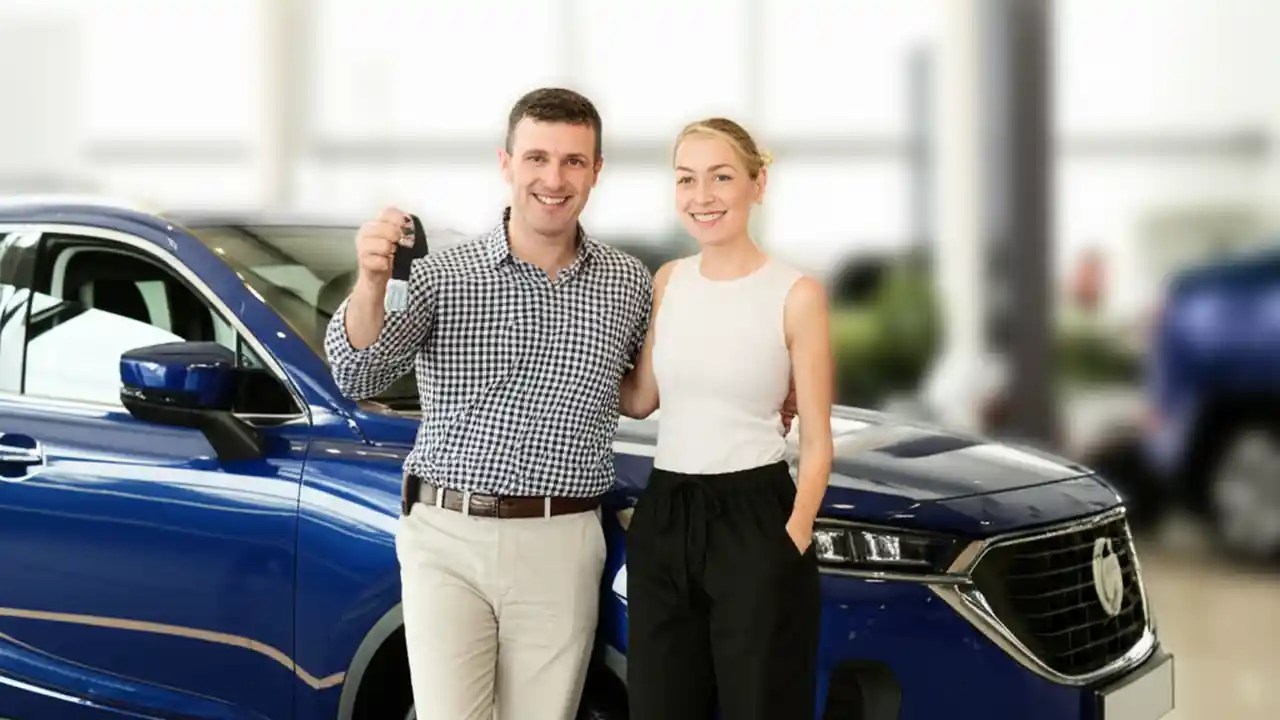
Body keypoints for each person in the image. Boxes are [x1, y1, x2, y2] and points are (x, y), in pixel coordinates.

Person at [324, 87, 653, 720]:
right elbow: (361, 370)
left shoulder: (627, 282)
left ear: (596, 171)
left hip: (564, 539)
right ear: (507, 164)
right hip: (448, 535)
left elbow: (643, 394)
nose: (553, 179)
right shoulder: (442, 274)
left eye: (572, 161)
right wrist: (368, 281)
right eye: (537, 158)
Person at [619, 117, 834, 720]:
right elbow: (640, 399)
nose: (702, 196)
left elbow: (818, 440)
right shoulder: (668, 283)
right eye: (686, 179)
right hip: (664, 515)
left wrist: (792, 535)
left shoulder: (796, 293)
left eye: (721, 177)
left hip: (755, 517)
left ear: (757, 184)